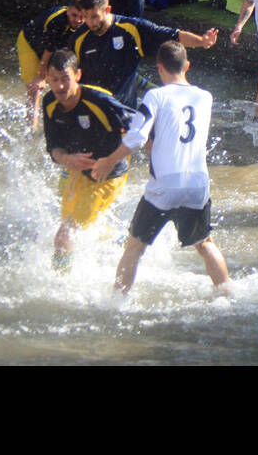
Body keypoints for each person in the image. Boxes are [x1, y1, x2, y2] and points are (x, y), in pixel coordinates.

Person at [90, 41, 232, 297]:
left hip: (164, 186)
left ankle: (115, 303)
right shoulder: (205, 97)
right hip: (197, 185)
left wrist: (108, 161)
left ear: (159, 68)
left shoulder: (156, 95)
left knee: (135, 247)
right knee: (205, 243)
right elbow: (177, 135)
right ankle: (228, 295)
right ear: (187, 66)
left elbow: (136, 139)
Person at [39, 50, 134, 270]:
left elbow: (139, 127)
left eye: (66, 79)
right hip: (79, 173)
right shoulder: (50, 102)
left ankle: (60, 283)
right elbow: (53, 147)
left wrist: (111, 160)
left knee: (64, 236)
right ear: (46, 77)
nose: (60, 86)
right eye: (54, 80)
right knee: (69, 222)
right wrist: (67, 158)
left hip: (109, 176)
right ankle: (121, 240)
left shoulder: (99, 100)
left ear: (78, 75)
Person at [69, 0, 219, 107]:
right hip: (92, 110)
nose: (90, 22)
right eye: (86, 17)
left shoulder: (131, 30)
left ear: (107, 10)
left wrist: (201, 41)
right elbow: (70, 73)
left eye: (95, 16)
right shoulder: (79, 38)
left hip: (124, 112)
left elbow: (171, 35)